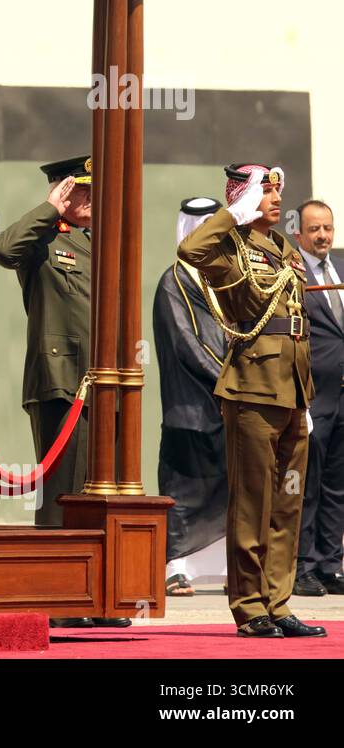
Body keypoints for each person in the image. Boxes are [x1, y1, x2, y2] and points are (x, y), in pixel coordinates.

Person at [178, 163, 325, 638]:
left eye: (278, 191)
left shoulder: (283, 248)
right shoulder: (228, 247)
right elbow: (188, 249)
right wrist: (231, 213)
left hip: (293, 389)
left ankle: (279, 602)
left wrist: (305, 395)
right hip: (253, 388)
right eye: (264, 192)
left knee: (287, 503)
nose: (276, 199)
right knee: (252, 502)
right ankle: (249, 605)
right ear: (242, 197)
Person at [0, 156, 128, 629]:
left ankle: (98, 598)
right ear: (62, 191)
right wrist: (50, 207)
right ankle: (55, 596)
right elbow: (2, 247)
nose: (90, 200)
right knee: (62, 494)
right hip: (61, 382)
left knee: (99, 495)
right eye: (80, 191)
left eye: (94, 191)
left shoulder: (98, 244)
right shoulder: (43, 239)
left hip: (104, 386)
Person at [153, 197, 229, 597]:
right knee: (185, 489)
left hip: (226, 403)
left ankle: (226, 568)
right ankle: (175, 567)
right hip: (189, 405)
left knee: (227, 486)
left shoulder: (225, 279)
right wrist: (231, 378)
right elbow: (186, 344)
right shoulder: (174, 280)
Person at [292, 199, 344, 596]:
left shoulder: (340, 271)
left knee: (337, 486)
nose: (323, 235)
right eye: (314, 229)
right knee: (306, 486)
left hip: (342, 398)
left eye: (327, 228)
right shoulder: (294, 276)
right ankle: (303, 566)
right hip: (312, 398)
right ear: (300, 233)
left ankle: (330, 563)